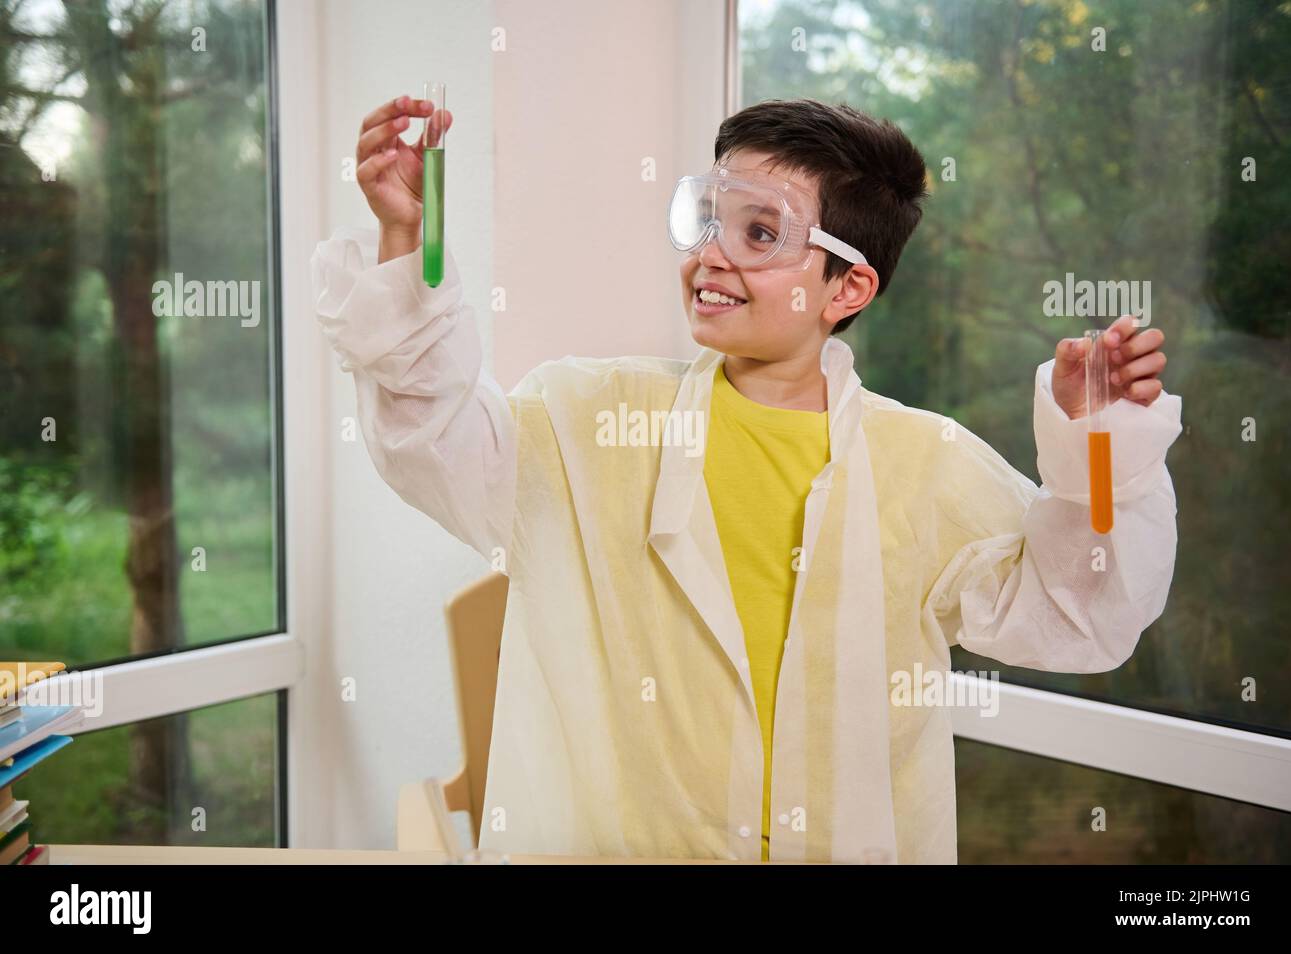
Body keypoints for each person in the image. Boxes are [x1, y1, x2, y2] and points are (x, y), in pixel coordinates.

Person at [311, 95, 1182, 863]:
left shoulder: (924, 462)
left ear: (848, 289)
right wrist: (407, 241)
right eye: (708, 218)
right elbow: (433, 439)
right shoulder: (587, 418)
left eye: (760, 233)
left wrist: (1097, 442)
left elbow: (1082, 614)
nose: (712, 256)